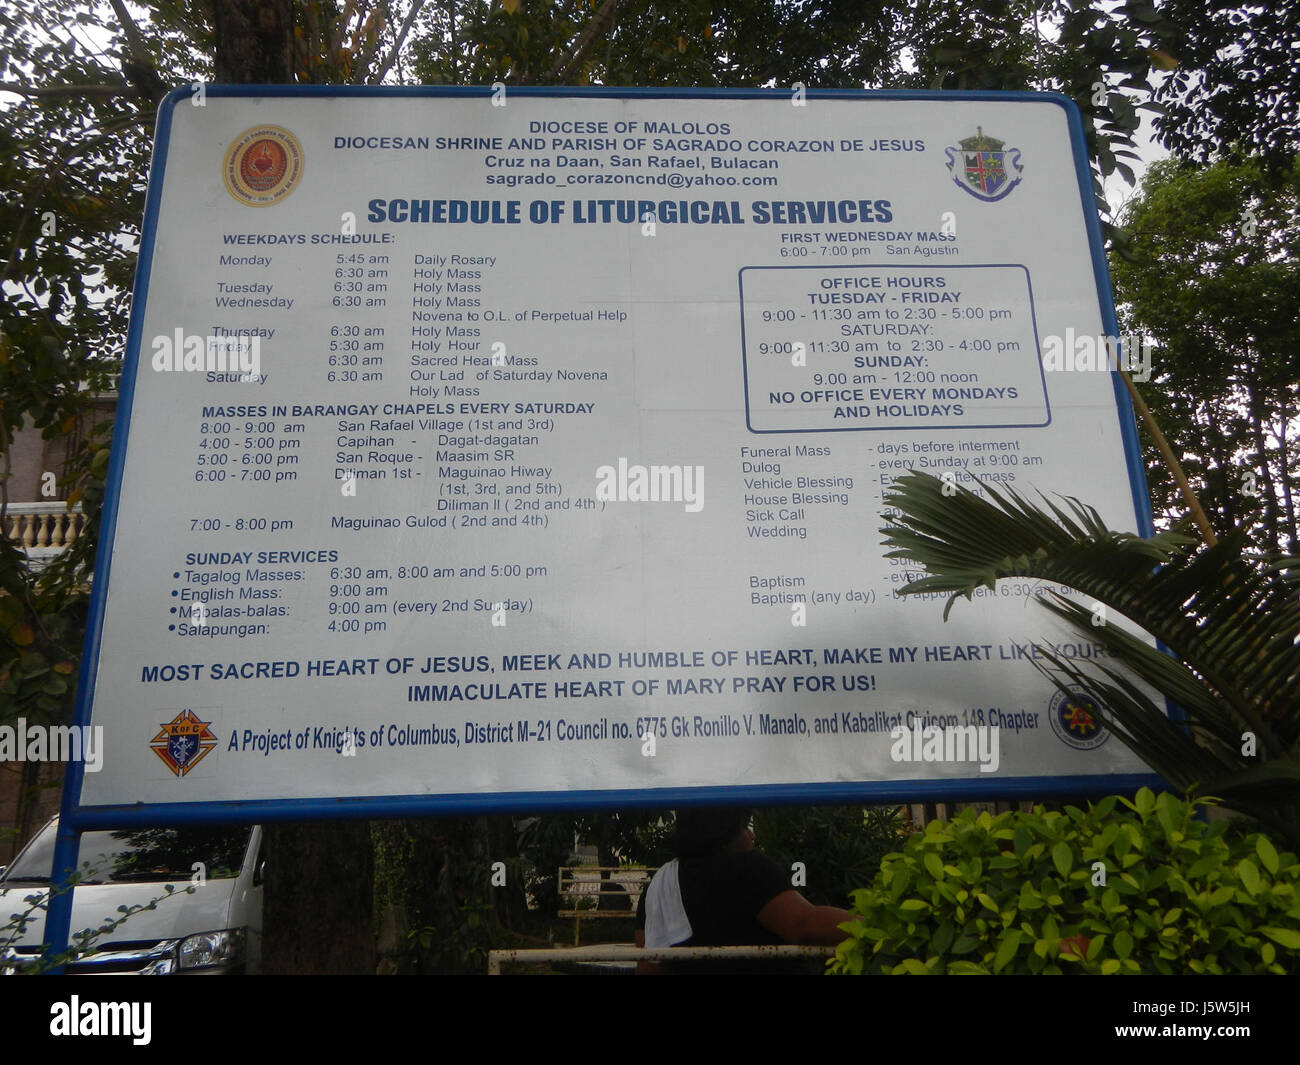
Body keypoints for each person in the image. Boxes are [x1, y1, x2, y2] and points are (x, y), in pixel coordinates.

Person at [634, 807, 851, 974]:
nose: (752, 835)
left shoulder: (659, 885)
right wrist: (873, 925)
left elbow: (649, 966)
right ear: (725, 833)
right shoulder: (749, 869)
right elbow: (803, 924)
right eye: (744, 827)